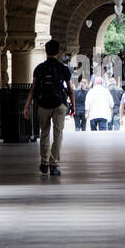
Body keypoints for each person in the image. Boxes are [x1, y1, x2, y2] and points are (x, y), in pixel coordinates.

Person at [22, 39, 73, 176]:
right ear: (58, 52)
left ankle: (44, 162)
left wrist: (26, 106)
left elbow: (33, 88)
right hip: (59, 104)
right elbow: (70, 89)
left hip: (43, 104)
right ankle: (54, 164)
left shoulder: (39, 68)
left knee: (44, 133)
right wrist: (73, 105)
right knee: (58, 134)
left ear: (46, 51)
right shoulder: (63, 68)